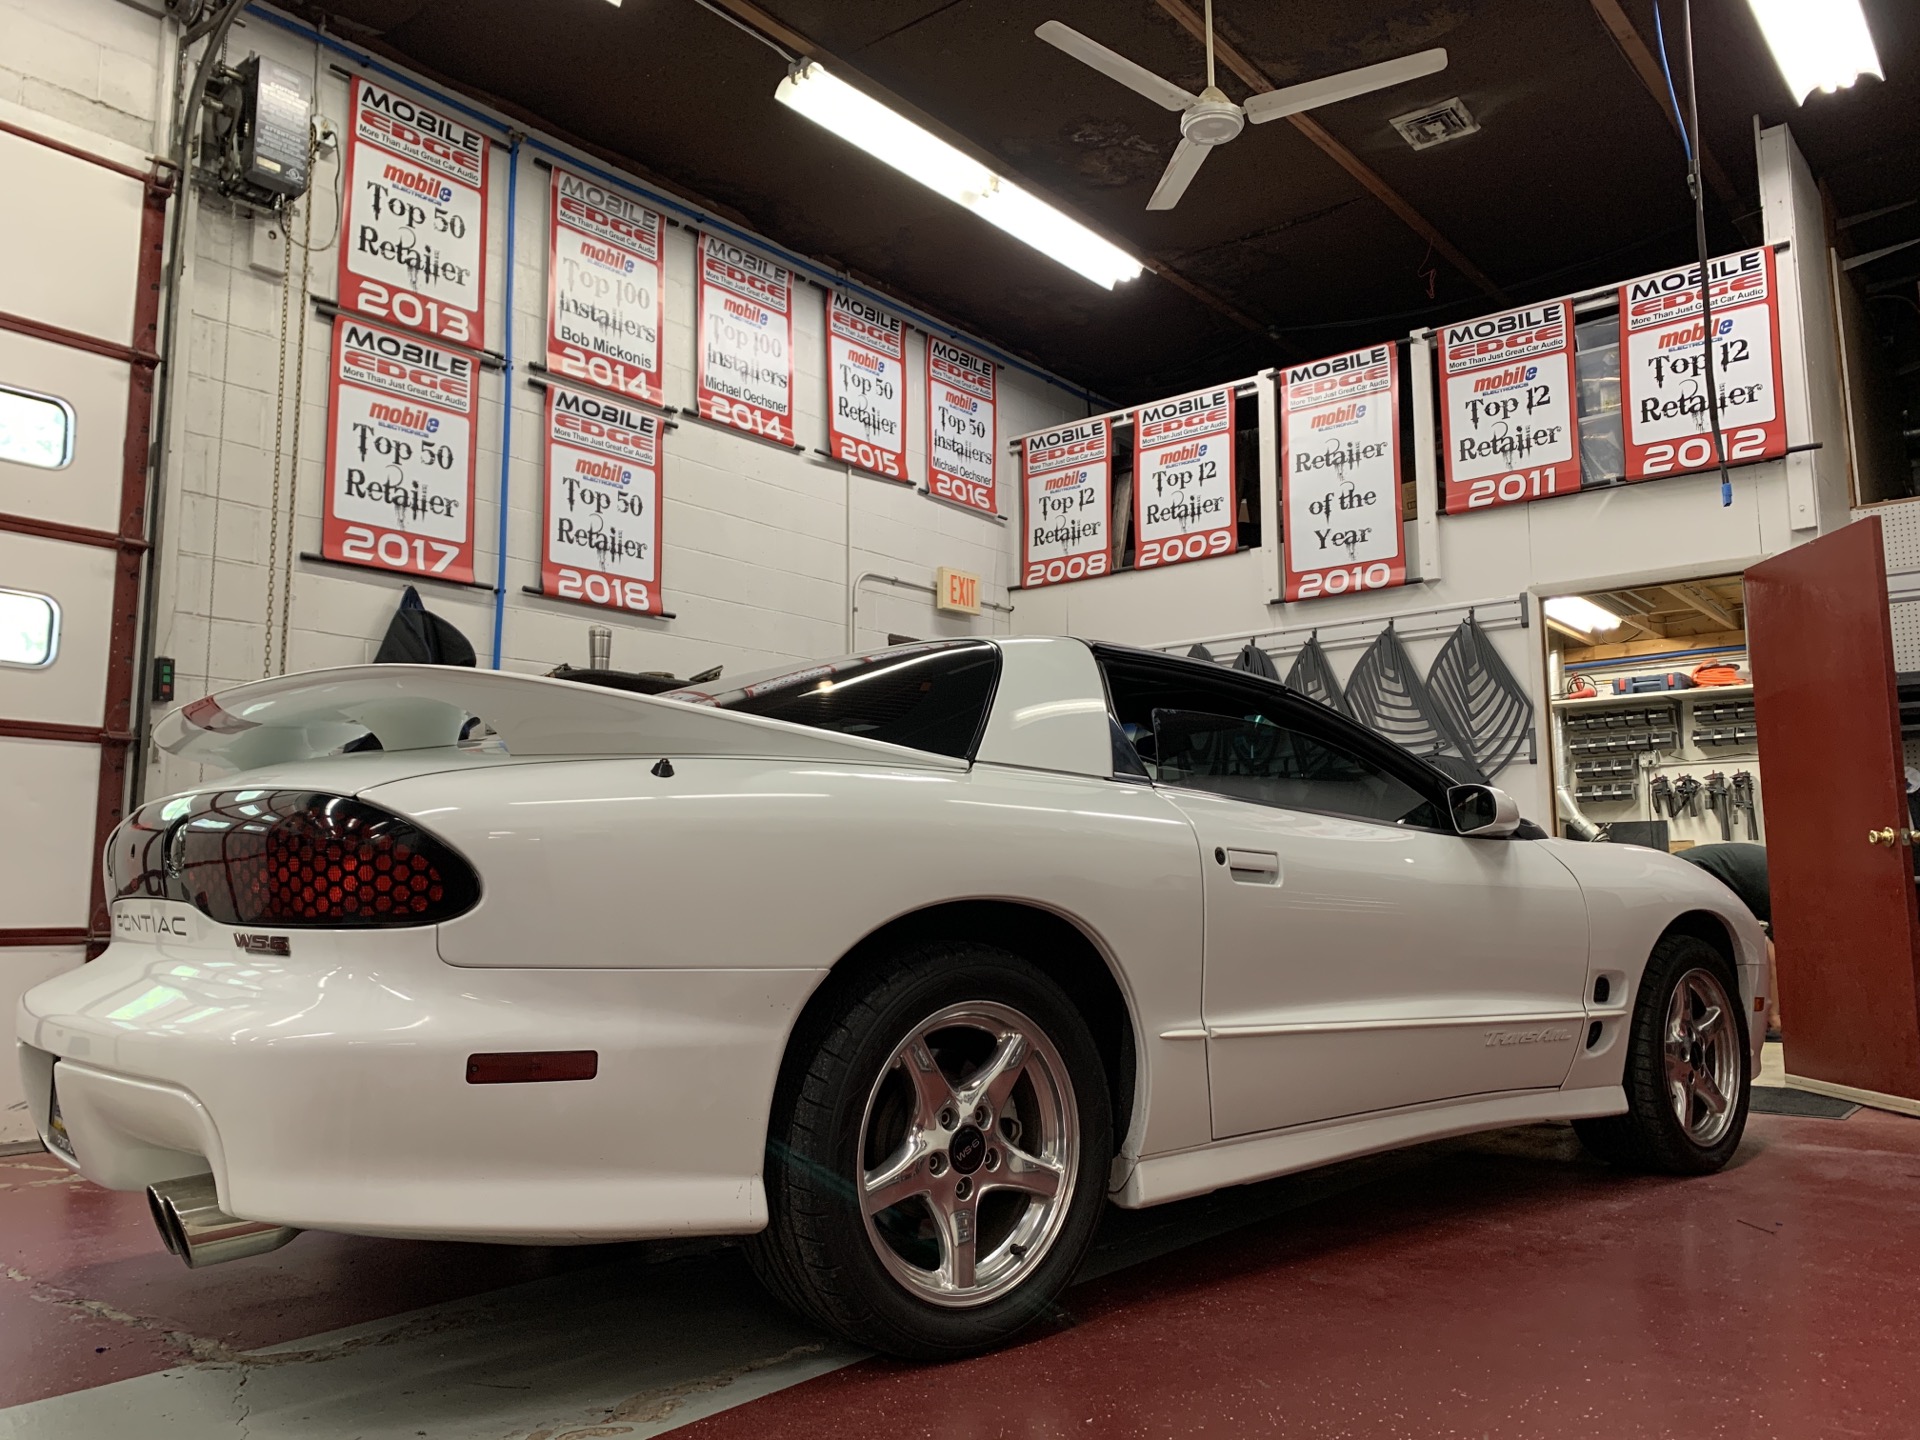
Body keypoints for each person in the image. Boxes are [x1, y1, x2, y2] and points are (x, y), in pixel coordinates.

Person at [1674, 841, 1780, 1040]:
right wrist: (1774, 1017)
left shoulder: (1784, 876)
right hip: (1694, 872)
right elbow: (1773, 959)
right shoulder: (1788, 890)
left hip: (1687, 868)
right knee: (1712, 957)